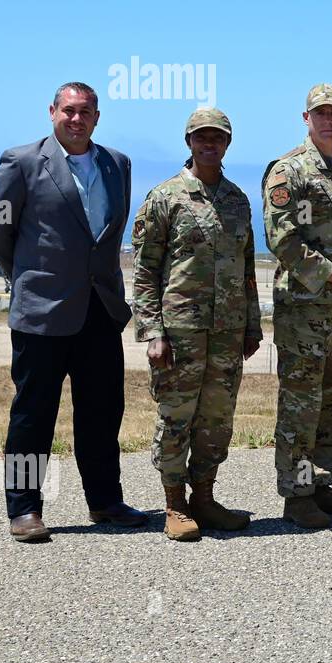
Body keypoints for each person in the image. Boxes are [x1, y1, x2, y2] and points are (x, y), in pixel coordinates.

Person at [0, 81, 146, 541]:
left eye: (86, 112)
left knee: (101, 411)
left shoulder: (118, 164)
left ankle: (105, 501)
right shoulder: (23, 161)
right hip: (42, 312)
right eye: (68, 111)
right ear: (52, 112)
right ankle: (25, 509)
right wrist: (29, 272)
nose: (77, 119)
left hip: (100, 309)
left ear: (97, 116)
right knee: (33, 414)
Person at [131, 107, 262, 541]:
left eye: (218, 138)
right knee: (176, 418)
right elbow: (146, 270)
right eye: (202, 137)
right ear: (189, 141)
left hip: (226, 331)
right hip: (179, 332)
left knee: (217, 419)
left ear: (228, 143)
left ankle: (204, 497)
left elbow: (246, 268)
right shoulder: (165, 198)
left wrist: (251, 325)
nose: (210, 144)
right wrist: (152, 331)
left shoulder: (237, 200)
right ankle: (174, 504)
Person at [263, 83, 332, 529]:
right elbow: (282, 239)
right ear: (306, 118)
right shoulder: (288, 171)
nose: (328, 120)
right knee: (301, 404)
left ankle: (322, 484)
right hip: (305, 310)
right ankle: (297, 494)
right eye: (320, 113)